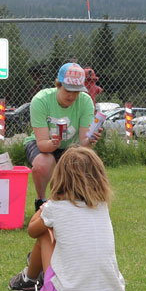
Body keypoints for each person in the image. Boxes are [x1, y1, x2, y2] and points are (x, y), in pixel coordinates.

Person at [8, 147, 125, 291]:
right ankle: (40, 276)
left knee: (44, 235)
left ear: (60, 176)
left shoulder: (56, 207)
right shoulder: (101, 205)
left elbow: (33, 230)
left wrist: (45, 206)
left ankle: (28, 281)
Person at [24, 62, 101, 212]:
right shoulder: (40, 100)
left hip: (71, 146)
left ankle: (76, 203)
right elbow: (42, 144)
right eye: (68, 90)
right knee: (42, 163)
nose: (72, 95)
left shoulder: (85, 101)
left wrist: (90, 139)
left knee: (86, 161)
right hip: (45, 144)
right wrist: (54, 143)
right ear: (58, 85)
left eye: (77, 91)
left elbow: (83, 144)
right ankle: (41, 201)